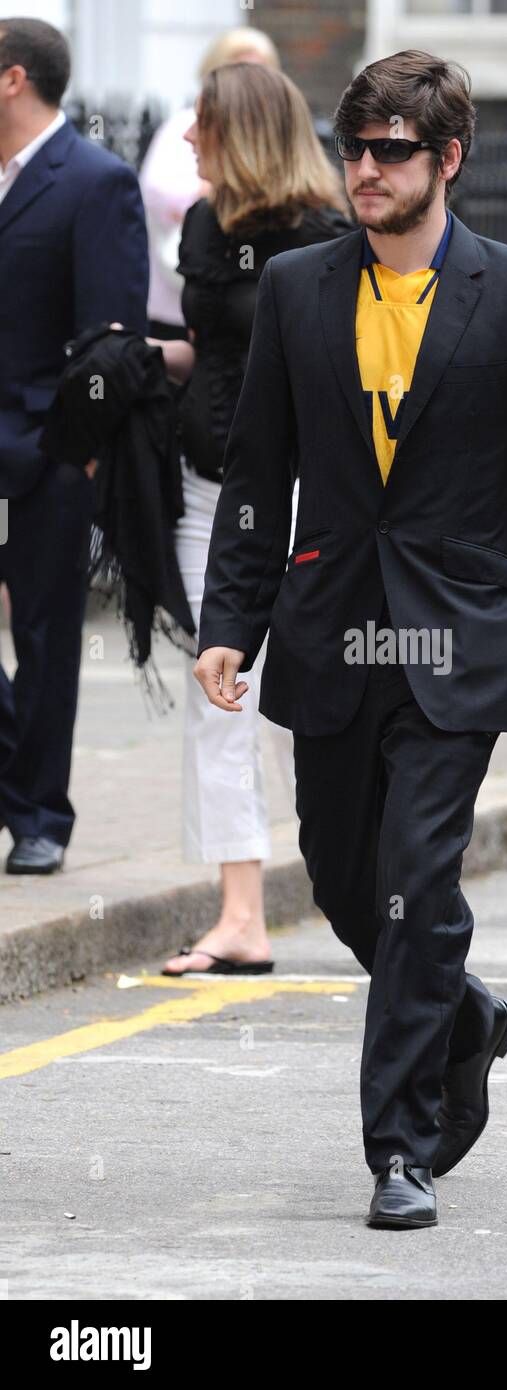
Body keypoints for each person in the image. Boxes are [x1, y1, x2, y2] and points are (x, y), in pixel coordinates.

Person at [193, 50, 507, 1227]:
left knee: (415, 880)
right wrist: (231, 621)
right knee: (342, 876)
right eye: (357, 148)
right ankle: (469, 1016)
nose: (368, 170)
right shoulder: (294, 287)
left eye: (393, 151)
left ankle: (402, 1145)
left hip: (462, 640)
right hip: (330, 631)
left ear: (448, 160)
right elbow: (257, 472)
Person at [150, 63, 352, 975]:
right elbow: (218, 348)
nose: (188, 138)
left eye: (203, 123)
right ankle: (241, 916)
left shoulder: (324, 238)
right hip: (204, 487)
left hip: (295, 492)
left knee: (299, 698)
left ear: (247, 133)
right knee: (216, 691)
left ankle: (363, 881)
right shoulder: (203, 222)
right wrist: (138, 357)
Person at [0, 16, 148, 873]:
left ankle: (40, 817)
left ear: (13, 79)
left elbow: (112, 340)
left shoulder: (94, 181)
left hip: (47, 452)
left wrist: (78, 451)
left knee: (49, 637)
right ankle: (15, 782)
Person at [139, 25, 280, 341]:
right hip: (178, 304)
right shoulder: (183, 126)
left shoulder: (274, 134)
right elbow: (157, 191)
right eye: (239, 68)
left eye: (261, 71)